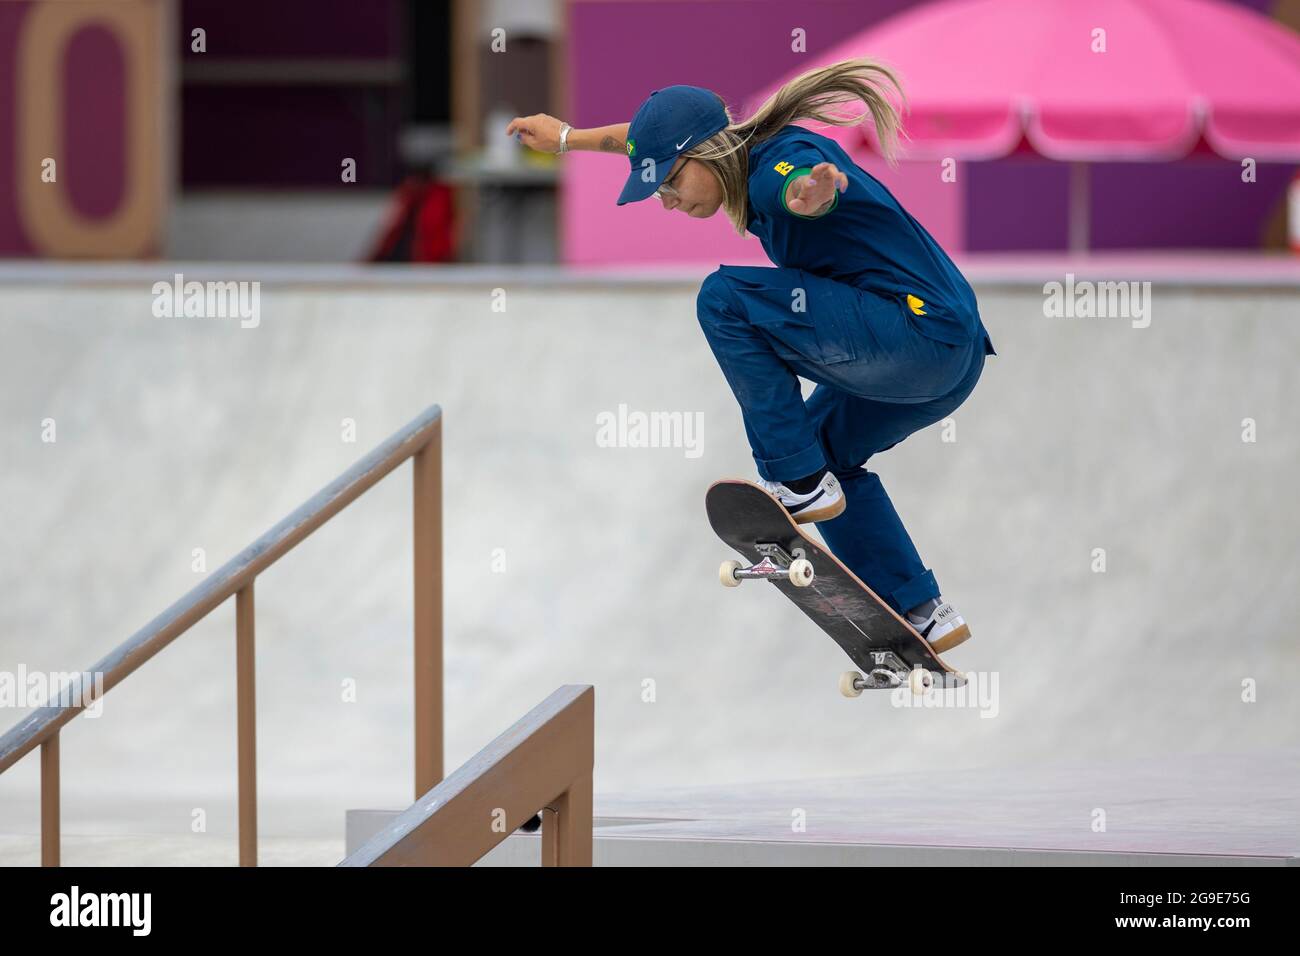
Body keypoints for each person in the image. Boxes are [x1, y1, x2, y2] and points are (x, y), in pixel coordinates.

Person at [507, 59, 995, 653]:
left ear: (708, 155)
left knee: (724, 299)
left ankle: (797, 481)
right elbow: (638, 140)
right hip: (952, 361)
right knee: (830, 451)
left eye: (668, 183)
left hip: (914, 334)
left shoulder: (774, 164)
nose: (666, 200)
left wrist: (806, 194)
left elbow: (792, 189)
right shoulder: (732, 155)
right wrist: (567, 139)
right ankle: (921, 611)